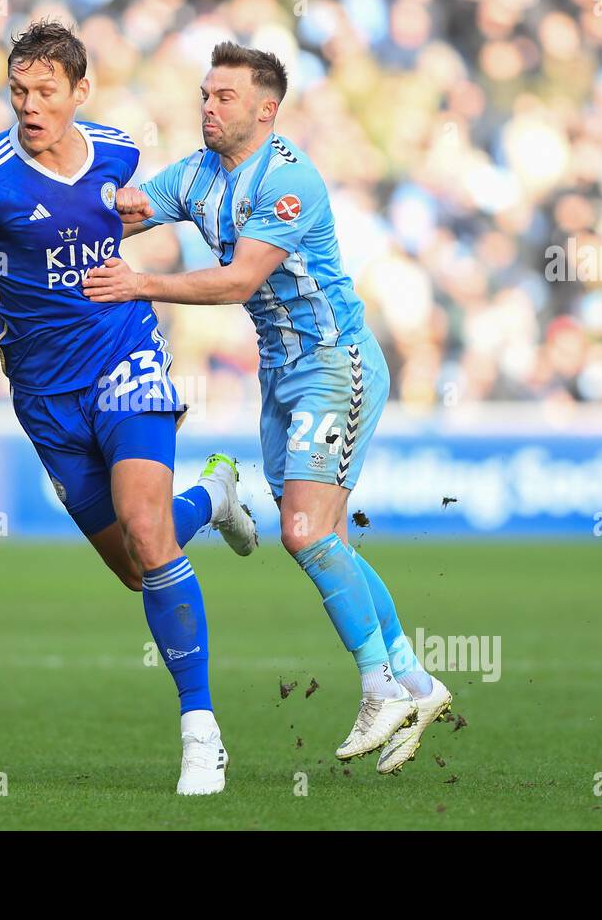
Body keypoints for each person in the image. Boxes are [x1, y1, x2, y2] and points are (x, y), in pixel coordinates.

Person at [0, 21, 257, 795]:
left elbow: (160, 205)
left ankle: (201, 731)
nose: (30, 106)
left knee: (149, 528)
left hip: (125, 353)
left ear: (78, 92)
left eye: (46, 92)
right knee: (136, 566)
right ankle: (217, 495)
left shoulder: (119, 152)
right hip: (44, 392)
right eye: (19, 91)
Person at [83, 42, 450, 774]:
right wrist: (63, 198)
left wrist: (140, 285)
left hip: (333, 364)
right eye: (205, 94)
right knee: (327, 538)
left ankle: (380, 686)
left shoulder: (288, 181)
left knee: (305, 533)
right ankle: (416, 680)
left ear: (264, 108)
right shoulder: (196, 172)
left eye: (223, 97)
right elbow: (129, 209)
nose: (208, 107)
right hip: (280, 376)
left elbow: (238, 281)